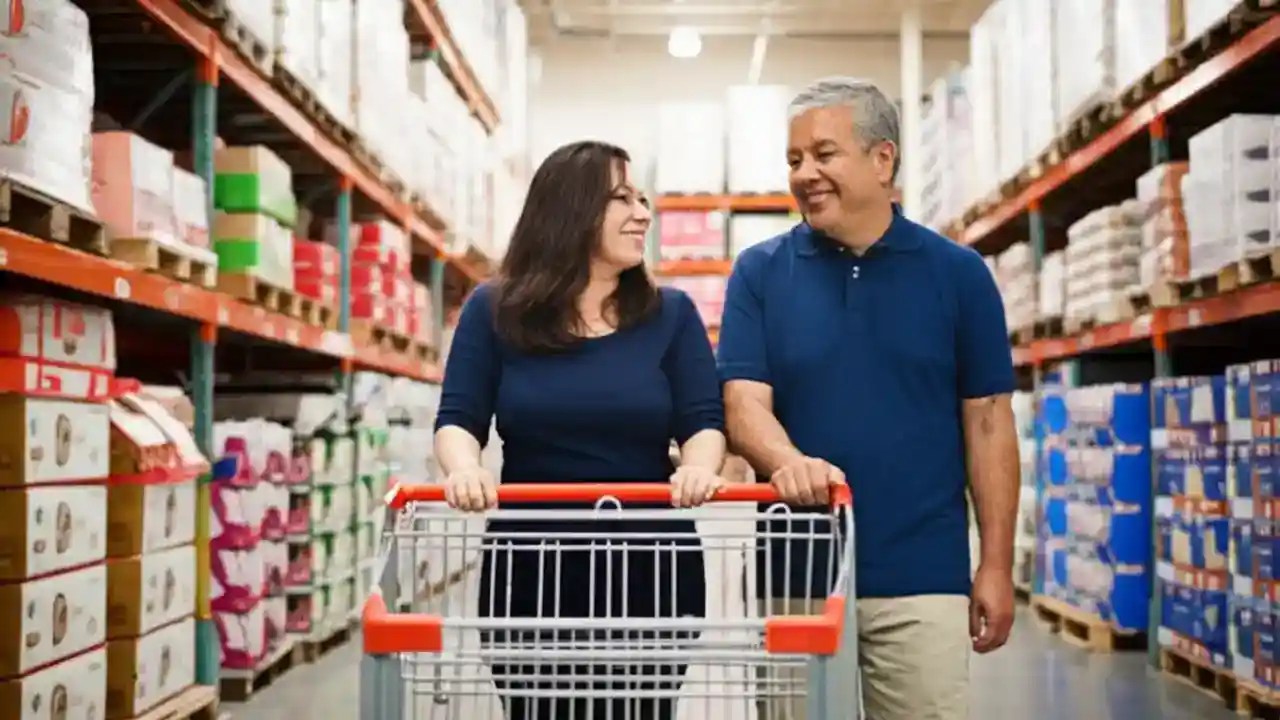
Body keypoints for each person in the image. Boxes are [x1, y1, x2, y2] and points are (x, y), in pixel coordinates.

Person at [718, 77, 1019, 720]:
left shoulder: (958, 275)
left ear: (883, 160)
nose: (805, 174)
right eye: (795, 160)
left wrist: (994, 563)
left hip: (923, 571)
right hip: (796, 571)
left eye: (824, 155)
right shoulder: (760, 273)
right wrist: (786, 460)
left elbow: (989, 425)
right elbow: (742, 405)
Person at [434, 140, 727, 720]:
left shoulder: (671, 315)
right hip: (531, 568)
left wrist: (699, 465)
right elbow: (458, 420)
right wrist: (464, 469)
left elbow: (704, 422)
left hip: (650, 568)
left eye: (642, 199)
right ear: (569, 208)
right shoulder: (493, 311)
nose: (643, 212)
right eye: (622, 199)